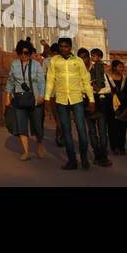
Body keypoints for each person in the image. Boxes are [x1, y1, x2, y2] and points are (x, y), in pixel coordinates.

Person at [46, 36, 94, 170]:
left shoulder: (78, 61)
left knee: (81, 129)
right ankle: (72, 160)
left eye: (66, 46)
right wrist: (47, 98)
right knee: (66, 130)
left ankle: (84, 158)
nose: (63, 49)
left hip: (76, 98)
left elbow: (85, 81)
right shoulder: (54, 61)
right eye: (61, 46)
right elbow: (50, 80)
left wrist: (91, 100)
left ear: (71, 47)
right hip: (61, 99)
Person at [5, 39, 46, 161]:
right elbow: (10, 81)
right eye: (21, 53)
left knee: (37, 125)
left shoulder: (36, 65)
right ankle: (26, 151)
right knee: (21, 125)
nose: (24, 55)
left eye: (26, 53)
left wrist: (41, 96)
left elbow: (41, 81)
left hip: (35, 99)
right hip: (19, 99)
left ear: (30, 52)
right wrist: (7, 97)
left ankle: (39, 144)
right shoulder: (14, 65)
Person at [87, 48, 112, 166]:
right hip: (92, 101)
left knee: (101, 131)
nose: (92, 58)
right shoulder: (92, 67)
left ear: (100, 57)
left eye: (94, 56)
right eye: (91, 56)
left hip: (98, 100)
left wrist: (97, 86)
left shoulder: (98, 66)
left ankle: (102, 154)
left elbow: (100, 79)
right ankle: (99, 154)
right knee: (95, 131)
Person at [105, 59, 127, 155]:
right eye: (119, 67)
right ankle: (115, 147)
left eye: (122, 67)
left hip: (123, 106)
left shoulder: (125, 79)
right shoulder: (107, 78)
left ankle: (122, 147)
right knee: (112, 128)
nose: (121, 69)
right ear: (114, 68)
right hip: (110, 106)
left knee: (122, 127)